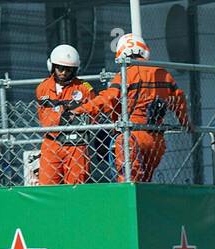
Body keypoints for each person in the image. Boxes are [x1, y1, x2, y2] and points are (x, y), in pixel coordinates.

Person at [70, 33, 187, 183]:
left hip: (132, 136)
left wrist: (81, 110)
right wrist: (184, 122)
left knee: (129, 180)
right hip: (157, 139)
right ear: (143, 51)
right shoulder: (163, 74)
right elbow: (179, 98)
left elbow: (108, 99)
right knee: (146, 179)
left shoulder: (125, 75)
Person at [35, 44, 94, 186]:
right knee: (47, 186)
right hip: (51, 142)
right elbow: (42, 115)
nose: (63, 72)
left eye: (68, 69)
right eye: (60, 68)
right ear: (52, 66)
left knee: (76, 185)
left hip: (76, 143)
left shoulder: (84, 88)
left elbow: (93, 114)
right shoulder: (43, 88)